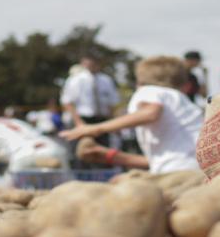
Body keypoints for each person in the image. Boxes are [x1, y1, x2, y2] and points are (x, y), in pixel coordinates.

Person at [63, 55, 205, 174]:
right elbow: (163, 159)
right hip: (196, 171)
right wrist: (110, 156)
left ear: (139, 82)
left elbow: (151, 113)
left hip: (177, 173)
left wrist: (94, 129)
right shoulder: (183, 103)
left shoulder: (149, 90)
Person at [59, 54, 120, 149]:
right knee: (83, 150)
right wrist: (78, 123)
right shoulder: (76, 80)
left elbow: (112, 103)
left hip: (102, 120)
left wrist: (112, 122)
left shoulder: (106, 80)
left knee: (103, 149)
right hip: (83, 119)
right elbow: (68, 102)